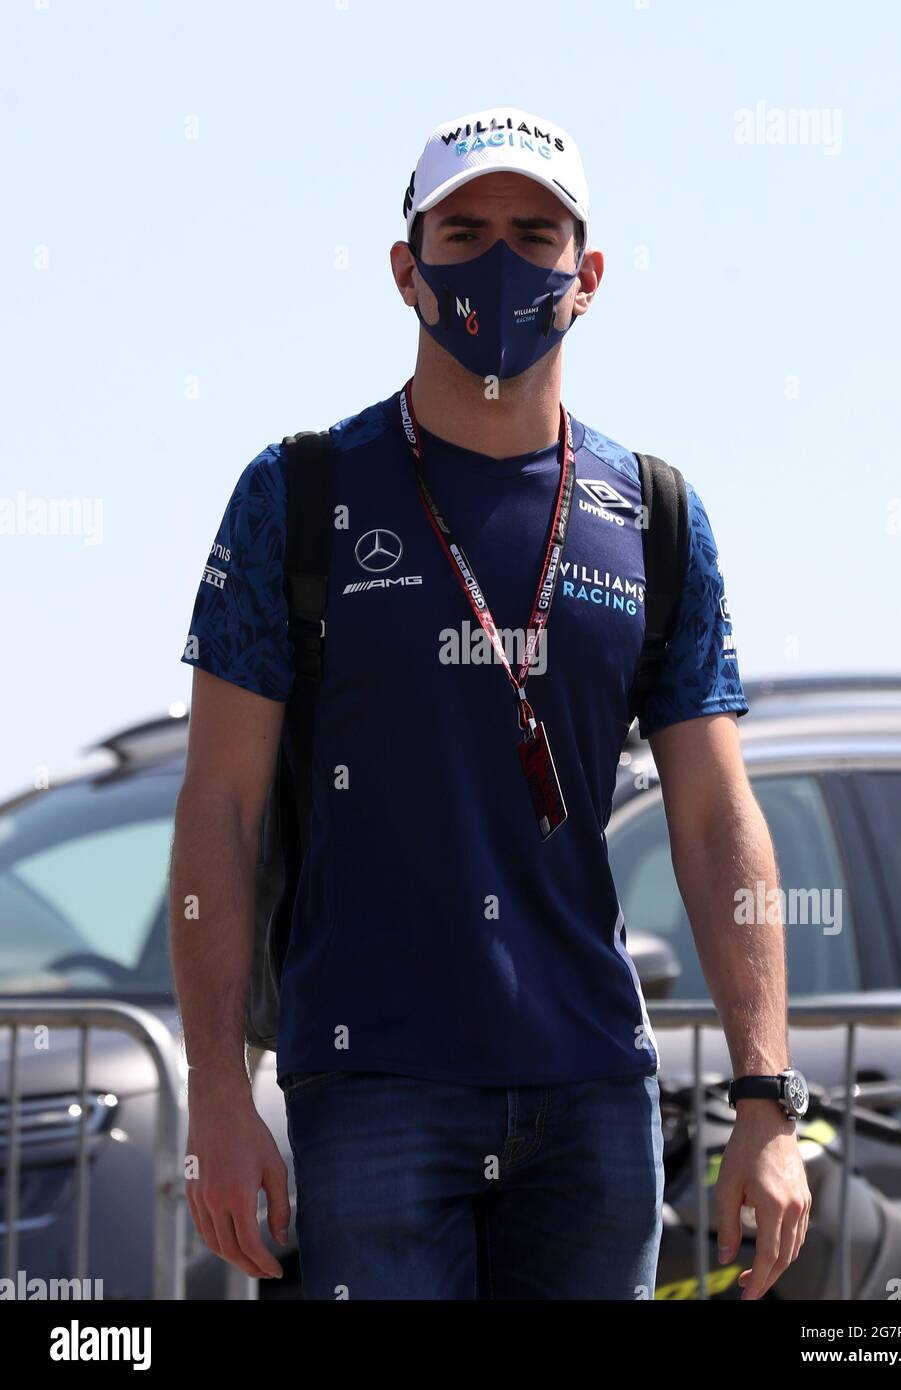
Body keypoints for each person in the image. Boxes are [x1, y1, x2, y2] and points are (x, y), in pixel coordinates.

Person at [170, 105, 810, 1301]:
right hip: (370, 1093)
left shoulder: (654, 516)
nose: (500, 260)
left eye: (534, 230)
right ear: (405, 269)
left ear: (589, 275)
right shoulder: (298, 494)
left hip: (592, 1100)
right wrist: (217, 1089)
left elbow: (719, 817)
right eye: (462, 231)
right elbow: (219, 803)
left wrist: (764, 1101)